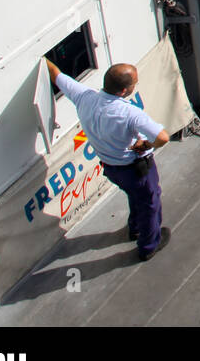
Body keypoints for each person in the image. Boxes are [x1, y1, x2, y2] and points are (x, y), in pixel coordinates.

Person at [45, 59, 172, 261]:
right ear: (123, 91)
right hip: (136, 170)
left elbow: (55, 73)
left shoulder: (84, 97)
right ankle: (149, 245)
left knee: (134, 195)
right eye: (134, 84)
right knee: (150, 203)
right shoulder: (129, 113)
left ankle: (136, 229)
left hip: (113, 170)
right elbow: (163, 137)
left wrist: (41, 59)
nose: (135, 86)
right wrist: (146, 145)